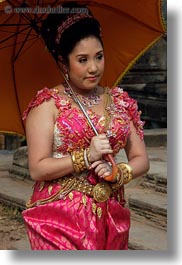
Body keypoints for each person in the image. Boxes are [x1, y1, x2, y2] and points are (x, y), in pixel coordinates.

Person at [22, 1, 149, 250]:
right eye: (82, 60)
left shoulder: (120, 101)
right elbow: (37, 168)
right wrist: (85, 156)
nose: (93, 68)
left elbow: (140, 159)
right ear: (62, 62)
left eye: (99, 57)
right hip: (58, 219)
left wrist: (120, 173)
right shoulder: (47, 104)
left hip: (111, 216)